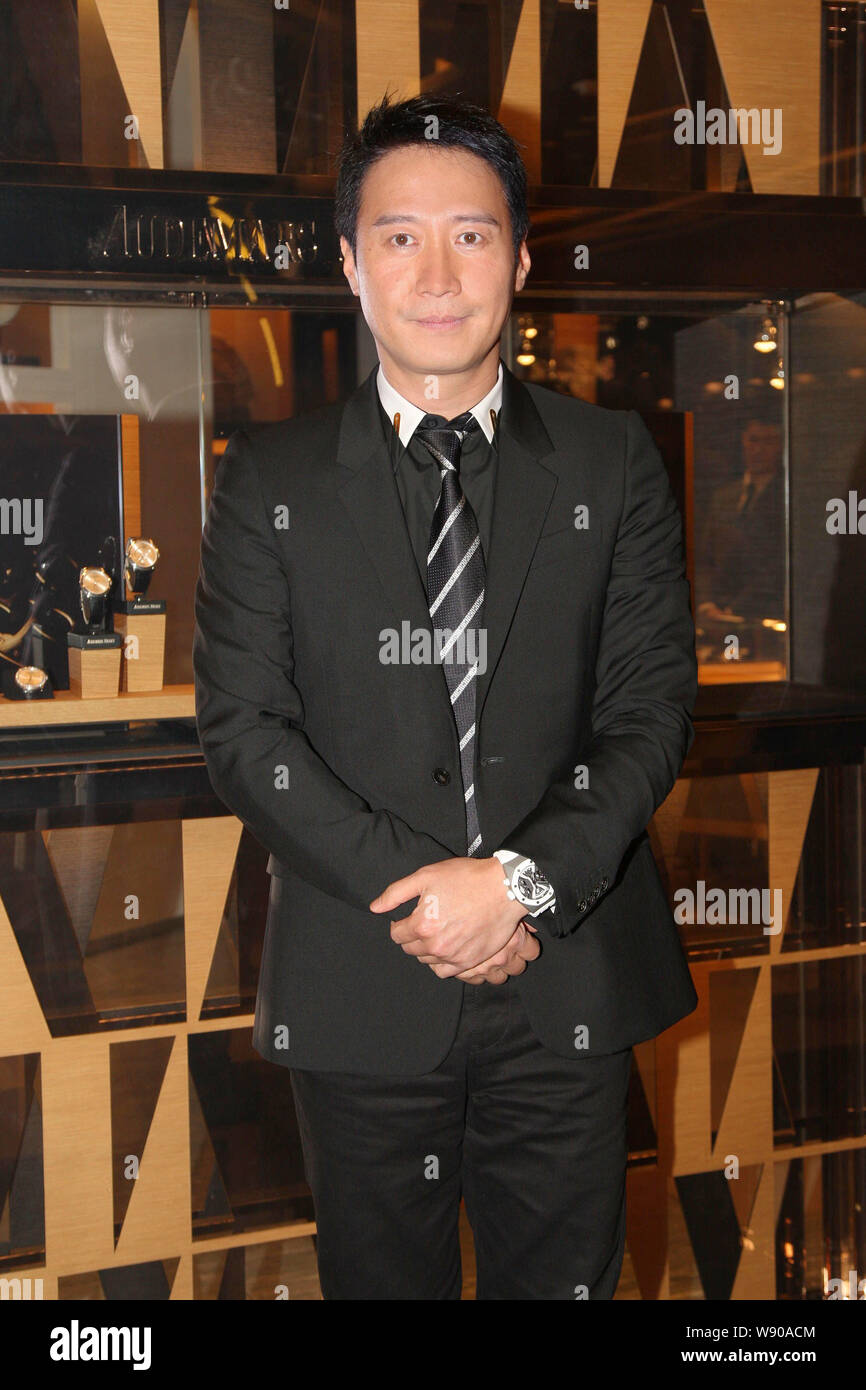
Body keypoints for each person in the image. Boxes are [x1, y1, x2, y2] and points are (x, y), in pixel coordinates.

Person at [192, 92, 698, 1301]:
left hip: (564, 968)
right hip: (365, 976)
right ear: (352, 265)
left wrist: (516, 885)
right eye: (398, 236)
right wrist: (434, 902)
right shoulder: (271, 477)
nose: (434, 270)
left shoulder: (608, 459)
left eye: (468, 235)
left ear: (517, 260)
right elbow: (244, 731)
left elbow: (647, 710)